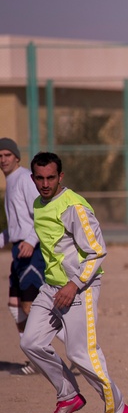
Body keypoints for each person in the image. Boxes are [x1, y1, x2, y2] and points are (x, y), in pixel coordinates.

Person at [20, 152, 128, 413]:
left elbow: (97, 251)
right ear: (33, 178)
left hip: (79, 287)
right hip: (51, 288)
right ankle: (69, 395)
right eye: (39, 178)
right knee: (31, 342)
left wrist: (74, 284)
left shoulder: (74, 206)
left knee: (81, 353)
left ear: (61, 177)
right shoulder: (38, 203)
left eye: (51, 178)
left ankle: (118, 410)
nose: (45, 184)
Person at [0, 137, 45, 374]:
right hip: (18, 251)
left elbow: (40, 215)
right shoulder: (11, 182)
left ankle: (67, 345)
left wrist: (31, 240)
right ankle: (35, 357)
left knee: (30, 307)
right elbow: (16, 225)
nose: (3, 159)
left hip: (32, 251)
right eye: (0, 155)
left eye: (7, 154)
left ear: (17, 157)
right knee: (14, 306)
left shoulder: (26, 179)